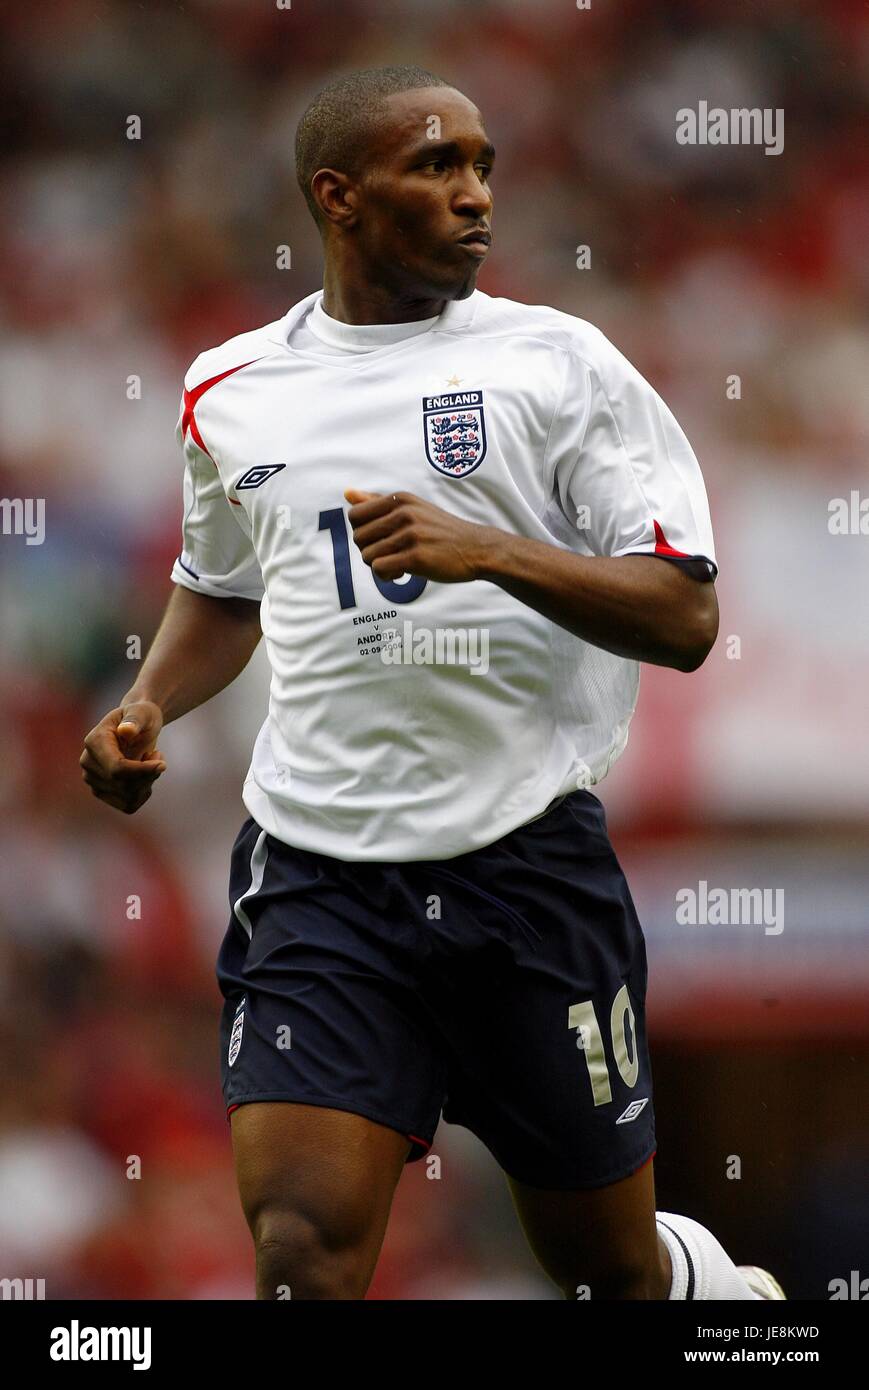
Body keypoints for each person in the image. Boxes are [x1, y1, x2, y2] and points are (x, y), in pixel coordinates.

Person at [80, 64, 784, 1302]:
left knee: (604, 1267)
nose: (475, 197)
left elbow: (682, 615)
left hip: (523, 863)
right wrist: (147, 704)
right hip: (318, 871)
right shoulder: (230, 388)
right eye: (439, 167)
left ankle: (705, 1287)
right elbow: (226, 586)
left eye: (484, 167)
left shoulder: (560, 367)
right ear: (338, 198)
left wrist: (485, 551)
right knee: (301, 1251)